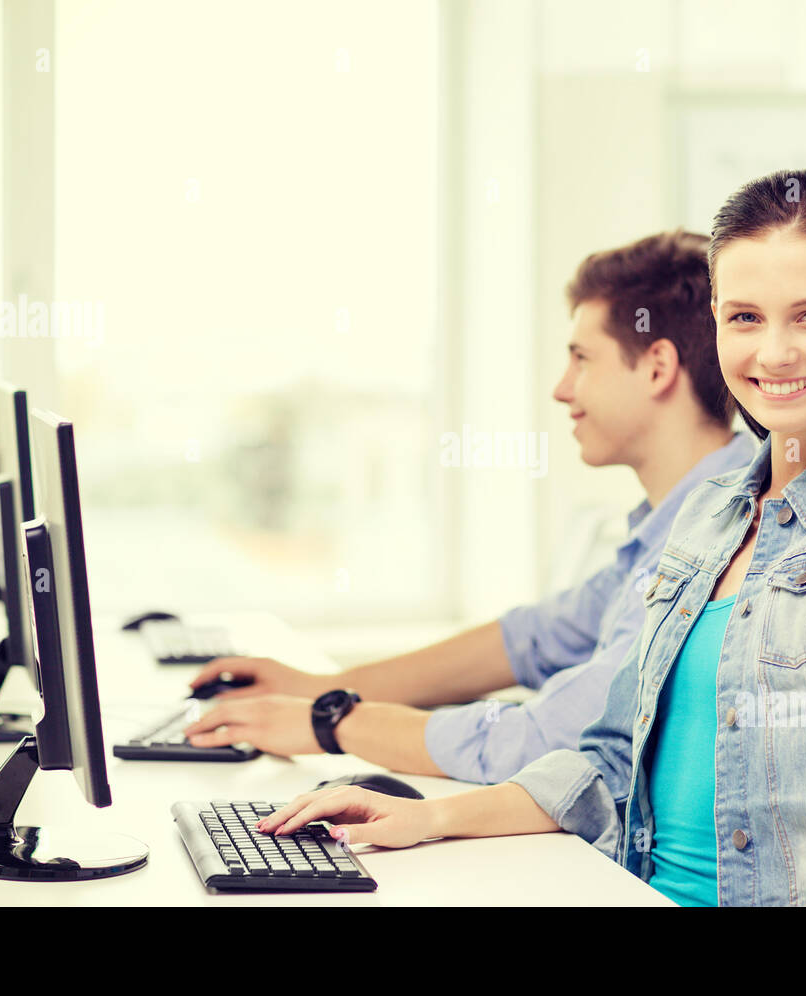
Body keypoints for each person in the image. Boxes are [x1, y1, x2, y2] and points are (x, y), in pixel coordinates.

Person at [253, 167, 806, 908]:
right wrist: (430, 817)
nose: (774, 352)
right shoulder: (709, 509)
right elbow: (608, 757)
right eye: (744, 317)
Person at [183, 230, 759, 783]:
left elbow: (544, 738)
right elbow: (530, 639)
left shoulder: (723, 533)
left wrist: (331, 722)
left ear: (657, 367)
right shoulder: (673, 522)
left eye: (582, 358)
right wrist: (321, 686)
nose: (562, 388)